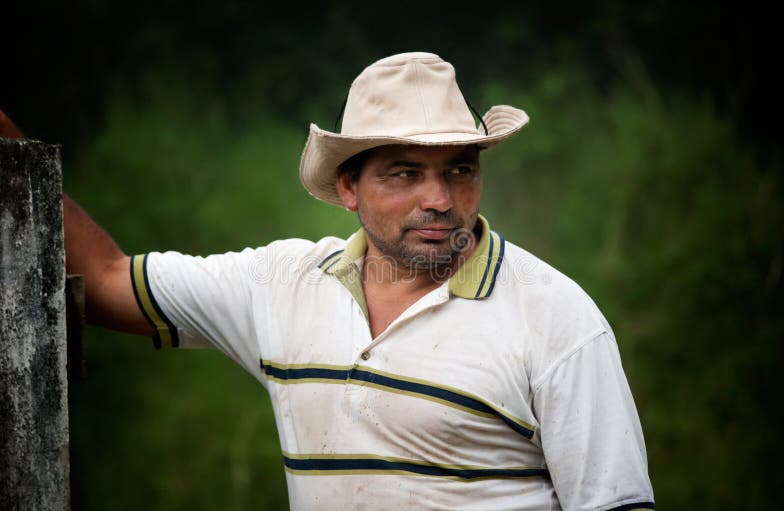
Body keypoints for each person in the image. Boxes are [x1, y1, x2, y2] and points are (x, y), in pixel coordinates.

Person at [2, 52, 655, 510]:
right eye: (405, 173)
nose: (439, 199)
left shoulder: (556, 317)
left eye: (460, 169)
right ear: (348, 186)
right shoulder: (282, 283)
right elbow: (105, 279)